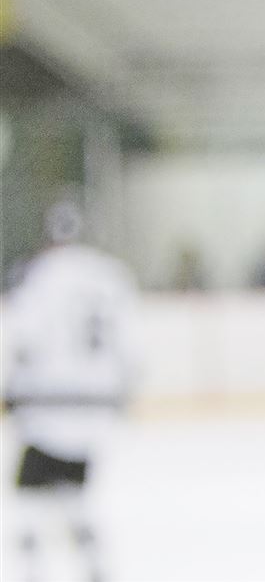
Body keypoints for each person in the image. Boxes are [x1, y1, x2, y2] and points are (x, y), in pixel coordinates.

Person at [3, 200, 136, 582]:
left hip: (49, 404)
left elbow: (26, 341)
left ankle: (30, 568)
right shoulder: (112, 275)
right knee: (73, 485)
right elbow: (132, 349)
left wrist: (13, 394)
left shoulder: (40, 274)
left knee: (28, 489)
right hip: (95, 408)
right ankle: (92, 557)